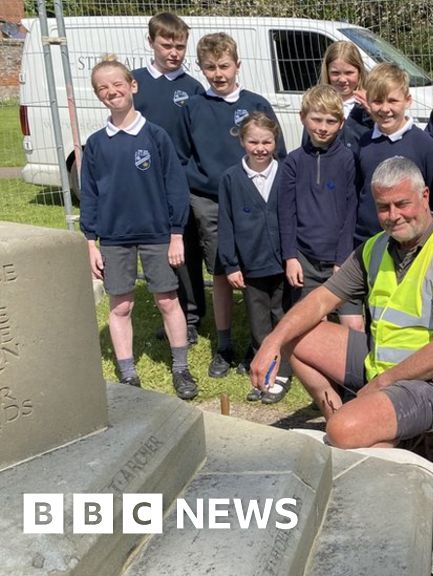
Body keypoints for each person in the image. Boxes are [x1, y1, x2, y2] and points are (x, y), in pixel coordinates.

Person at [250, 156, 433, 449]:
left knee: (343, 431)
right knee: (294, 334)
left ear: (425, 196)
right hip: (382, 363)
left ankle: (363, 430)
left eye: (402, 204)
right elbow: (321, 299)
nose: (393, 215)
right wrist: (273, 341)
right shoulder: (376, 247)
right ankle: (347, 418)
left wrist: (379, 384)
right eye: (383, 207)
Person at [79, 56, 198, 400]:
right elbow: (90, 194)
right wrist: (91, 242)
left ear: (132, 86)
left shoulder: (156, 137)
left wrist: (176, 233)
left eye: (117, 84)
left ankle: (181, 368)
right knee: (121, 307)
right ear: (98, 95)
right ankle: (128, 375)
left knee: (167, 301)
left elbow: (176, 188)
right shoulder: (97, 143)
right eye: (103, 88)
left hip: (158, 234)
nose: (111, 91)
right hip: (114, 238)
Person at [181, 32, 287, 378]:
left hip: (255, 200)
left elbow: (278, 153)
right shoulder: (194, 106)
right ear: (201, 69)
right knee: (224, 273)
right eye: (210, 68)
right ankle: (224, 346)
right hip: (211, 202)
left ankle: (267, 341)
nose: (218, 73)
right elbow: (184, 155)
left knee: (261, 273)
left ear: (237, 65)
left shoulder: (256, 104)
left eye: (224, 65)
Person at [132, 12, 204, 347]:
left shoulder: (193, 88)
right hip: (146, 185)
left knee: (185, 249)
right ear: (151, 42)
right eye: (166, 45)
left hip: (182, 184)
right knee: (159, 251)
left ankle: (191, 317)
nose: (173, 52)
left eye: (180, 46)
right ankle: (169, 309)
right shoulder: (134, 84)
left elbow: (198, 138)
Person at [217, 112, 293, 404]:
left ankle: (283, 370)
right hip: (251, 265)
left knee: (283, 316)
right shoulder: (231, 178)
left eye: (266, 142)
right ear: (242, 141)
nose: (260, 148)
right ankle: (265, 371)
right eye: (253, 142)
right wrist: (231, 264)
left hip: (283, 264)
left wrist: (292, 256)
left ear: (275, 141)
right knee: (259, 321)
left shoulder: (286, 173)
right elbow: (225, 223)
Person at [278, 85, 359, 329]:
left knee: (353, 324)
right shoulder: (293, 162)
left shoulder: (348, 160)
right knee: (312, 326)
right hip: (305, 259)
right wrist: (291, 257)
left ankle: (352, 367)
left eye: (331, 121)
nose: (323, 127)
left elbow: (351, 212)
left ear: (341, 123)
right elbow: (286, 213)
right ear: (303, 117)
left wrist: (342, 258)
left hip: (341, 259)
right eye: (316, 119)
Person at [353, 63, 433, 246]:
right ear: (367, 102)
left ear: (408, 101)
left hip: (410, 245)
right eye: (377, 101)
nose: (385, 109)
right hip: (366, 242)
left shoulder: (426, 147)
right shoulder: (363, 143)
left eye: (392, 101)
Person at [320, 41, 374, 149]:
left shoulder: (370, 105)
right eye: (335, 73)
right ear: (327, 72)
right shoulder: (319, 104)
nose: (342, 79)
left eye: (349, 73)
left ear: (359, 72)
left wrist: (374, 113)